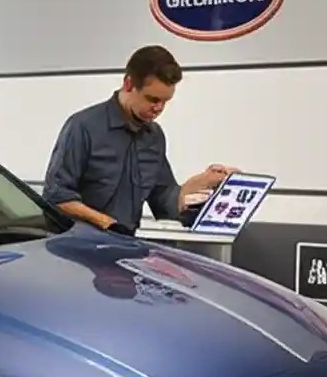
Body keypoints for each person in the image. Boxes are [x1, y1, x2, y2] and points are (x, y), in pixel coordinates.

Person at [42, 45, 239, 235]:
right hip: (77, 251)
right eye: (152, 99)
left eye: (165, 102)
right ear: (128, 84)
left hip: (125, 250)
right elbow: (57, 197)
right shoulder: (83, 126)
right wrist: (105, 223)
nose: (159, 108)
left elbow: (164, 204)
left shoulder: (154, 137)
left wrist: (201, 183)